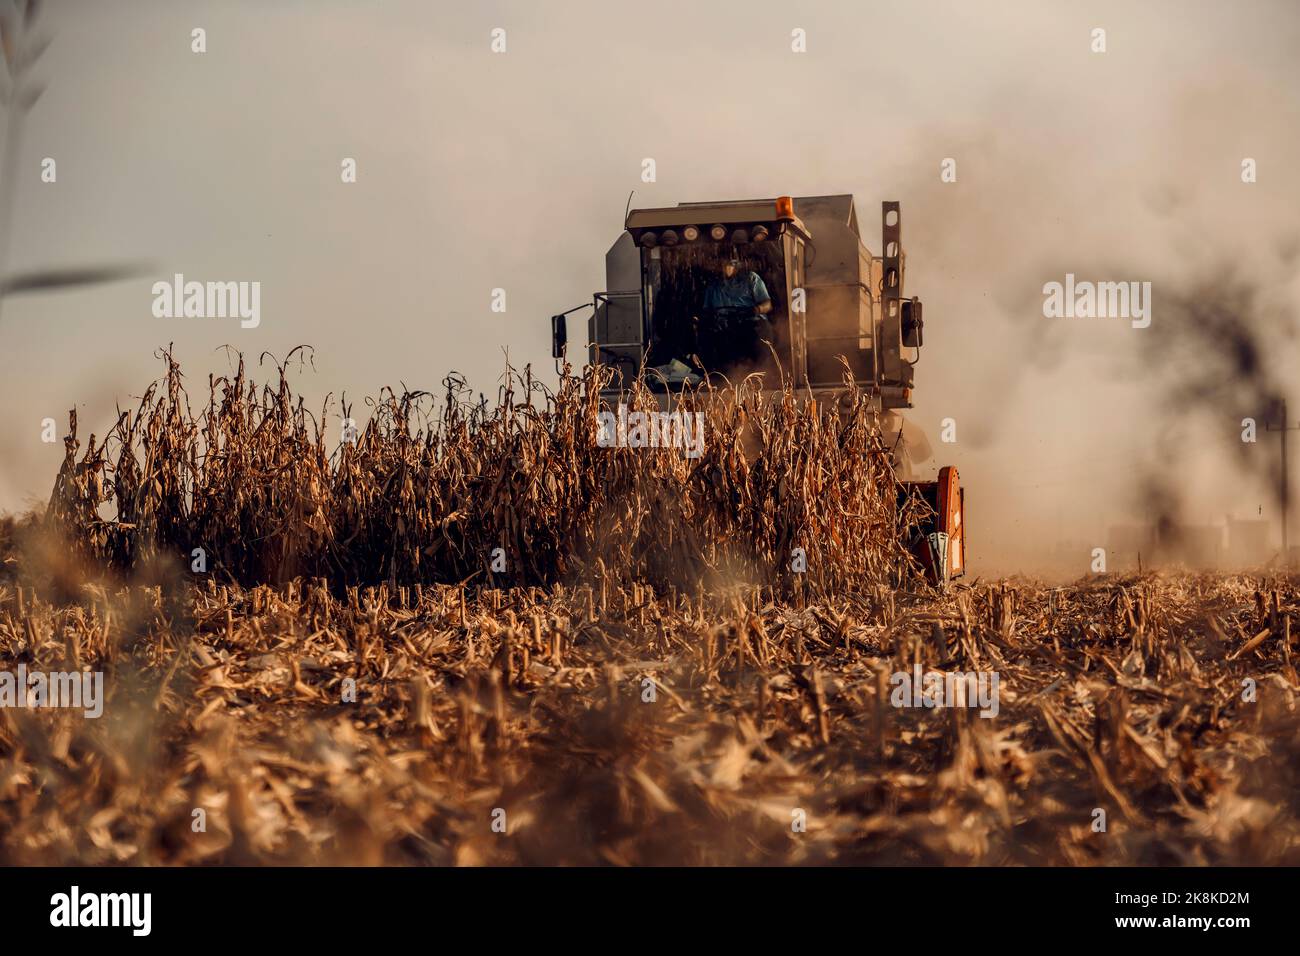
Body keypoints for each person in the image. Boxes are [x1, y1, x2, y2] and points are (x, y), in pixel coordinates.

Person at [696, 256, 775, 372]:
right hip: (724, 329)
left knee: (760, 332)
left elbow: (767, 305)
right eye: (723, 264)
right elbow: (706, 313)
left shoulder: (750, 278)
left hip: (751, 324)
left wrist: (755, 310)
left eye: (730, 264)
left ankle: (762, 374)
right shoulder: (712, 287)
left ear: (737, 265)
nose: (726, 268)